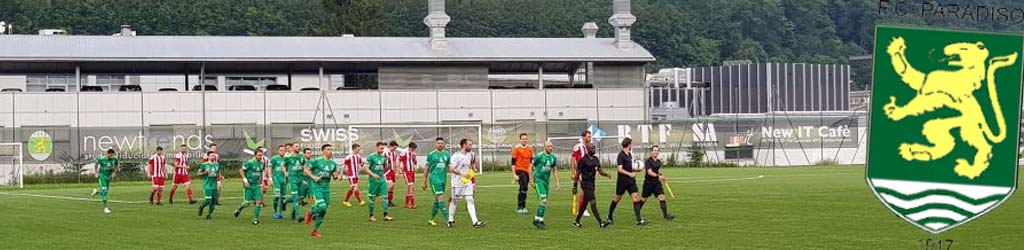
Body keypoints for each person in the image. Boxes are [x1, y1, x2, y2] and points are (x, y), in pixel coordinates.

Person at [448, 138, 487, 228]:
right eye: (469, 145)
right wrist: (462, 173)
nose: (471, 146)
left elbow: (472, 165)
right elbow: (451, 169)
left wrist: (474, 169)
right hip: (457, 181)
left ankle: (475, 222)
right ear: (464, 145)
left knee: (470, 199)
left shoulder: (472, 154)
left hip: (468, 181)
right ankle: (450, 220)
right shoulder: (456, 156)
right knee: (454, 200)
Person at [304, 144, 342, 237]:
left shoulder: (332, 164)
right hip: (316, 187)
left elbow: (334, 176)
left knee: (324, 210)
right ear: (323, 151)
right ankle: (310, 212)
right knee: (322, 206)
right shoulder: (317, 161)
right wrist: (314, 177)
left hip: (326, 188)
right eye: (328, 149)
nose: (330, 151)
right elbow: (306, 170)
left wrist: (337, 176)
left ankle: (314, 230)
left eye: (331, 149)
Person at [609, 137, 648, 226]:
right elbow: (619, 169)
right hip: (622, 180)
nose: (632, 145)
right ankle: (609, 216)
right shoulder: (621, 155)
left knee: (636, 197)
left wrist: (636, 170)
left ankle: (639, 220)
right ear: (629, 144)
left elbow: (629, 167)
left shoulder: (629, 154)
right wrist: (629, 174)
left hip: (631, 181)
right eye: (631, 144)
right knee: (617, 198)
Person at [573, 143, 610, 229]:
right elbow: (577, 173)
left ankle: (576, 221)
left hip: (592, 183)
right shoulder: (583, 160)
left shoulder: (595, 159)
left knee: (585, 203)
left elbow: (600, 170)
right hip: (585, 184)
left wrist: (606, 174)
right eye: (592, 148)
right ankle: (601, 223)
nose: (594, 149)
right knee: (593, 202)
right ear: (588, 149)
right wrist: (575, 186)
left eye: (594, 148)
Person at [531, 141, 561, 229]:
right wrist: (531, 180)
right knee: (543, 200)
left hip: (546, 182)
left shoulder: (553, 157)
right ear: (544, 147)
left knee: (544, 201)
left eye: (551, 146)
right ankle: (540, 220)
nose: (550, 148)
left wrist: (557, 183)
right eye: (549, 146)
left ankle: (537, 219)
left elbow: (554, 170)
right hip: (538, 181)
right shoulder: (539, 156)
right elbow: (530, 167)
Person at [641, 145, 675, 221]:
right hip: (648, 183)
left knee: (662, 197)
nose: (656, 152)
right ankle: (637, 213)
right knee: (643, 199)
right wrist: (658, 176)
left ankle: (666, 216)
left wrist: (662, 176)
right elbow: (649, 172)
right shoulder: (648, 161)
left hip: (656, 183)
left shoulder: (658, 161)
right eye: (654, 150)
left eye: (657, 150)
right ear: (651, 152)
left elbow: (659, 171)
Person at [234, 149, 267, 225]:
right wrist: (245, 180)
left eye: (261, 155)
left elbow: (261, 172)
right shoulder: (249, 162)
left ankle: (255, 219)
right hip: (249, 185)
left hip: (257, 185)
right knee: (247, 203)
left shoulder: (262, 163)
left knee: (259, 202)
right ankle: (239, 209)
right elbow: (241, 170)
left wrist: (263, 182)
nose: (260, 157)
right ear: (255, 155)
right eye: (259, 155)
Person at [423, 137, 450, 226]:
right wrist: (424, 181)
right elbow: (426, 168)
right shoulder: (431, 154)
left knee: (437, 200)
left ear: (444, 144)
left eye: (442, 143)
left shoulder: (447, 154)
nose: (440, 145)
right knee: (440, 198)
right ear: (435, 144)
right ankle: (448, 220)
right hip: (434, 179)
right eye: (438, 143)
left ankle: (431, 219)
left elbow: (449, 167)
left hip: (443, 179)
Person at [365, 142, 392, 222]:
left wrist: (388, 163)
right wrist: (373, 175)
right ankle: (371, 215)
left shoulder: (383, 158)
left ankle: (385, 215)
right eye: (381, 148)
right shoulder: (371, 157)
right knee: (372, 198)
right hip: (373, 181)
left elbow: (385, 167)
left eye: (383, 148)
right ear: (376, 147)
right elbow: (366, 168)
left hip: (382, 180)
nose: (382, 150)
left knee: (385, 197)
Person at [570, 131, 593, 217]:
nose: (590, 138)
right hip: (581, 172)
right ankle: (581, 209)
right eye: (588, 136)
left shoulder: (590, 147)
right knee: (585, 190)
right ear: (583, 137)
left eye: (590, 136)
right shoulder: (578, 146)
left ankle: (583, 208)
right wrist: (573, 173)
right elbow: (573, 159)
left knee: (589, 190)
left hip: (589, 172)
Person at [91, 149, 120, 214]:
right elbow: (96, 165)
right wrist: (96, 173)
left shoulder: (115, 159)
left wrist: (114, 173)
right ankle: (105, 208)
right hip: (102, 176)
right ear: (107, 154)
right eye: (110, 155)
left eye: (112, 155)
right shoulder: (102, 159)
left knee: (105, 191)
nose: (111, 156)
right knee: (105, 191)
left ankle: (96, 192)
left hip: (108, 177)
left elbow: (117, 166)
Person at [511, 133, 534, 215]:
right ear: (520, 139)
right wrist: (514, 174)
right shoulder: (516, 149)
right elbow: (513, 163)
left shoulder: (530, 149)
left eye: (525, 139)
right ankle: (520, 207)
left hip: (527, 171)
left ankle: (522, 207)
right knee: (524, 187)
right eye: (523, 139)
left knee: (524, 189)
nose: (524, 140)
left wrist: (532, 168)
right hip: (519, 170)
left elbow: (531, 161)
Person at [288, 148, 312, 222]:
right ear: (304, 154)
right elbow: (302, 171)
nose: (309, 154)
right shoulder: (300, 160)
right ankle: (290, 207)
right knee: (299, 198)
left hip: (310, 182)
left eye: (310, 153)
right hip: (302, 182)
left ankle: (314, 214)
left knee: (312, 197)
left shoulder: (312, 162)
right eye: (307, 153)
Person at [197, 152, 221, 220]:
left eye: (214, 156)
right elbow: (198, 174)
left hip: (214, 185)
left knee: (214, 201)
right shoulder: (204, 165)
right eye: (211, 156)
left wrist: (220, 178)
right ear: (208, 157)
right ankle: (201, 207)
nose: (213, 157)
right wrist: (205, 172)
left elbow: (218, 173)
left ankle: (209, 215)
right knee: (208, 200)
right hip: (207, 185)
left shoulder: (217, 165)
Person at [269, 144, 289, 219]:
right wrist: (270, 178)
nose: (282, 152)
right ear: (278, 151)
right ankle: (275, 211)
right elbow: (269, 168)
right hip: (276, 179)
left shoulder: (286, 159)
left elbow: (287, 169)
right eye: (281, 150)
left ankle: (280, 213)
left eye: (284, 150)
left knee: (283, 197)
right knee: (277, 195)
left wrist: (287, 177)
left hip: (283, 179)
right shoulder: (274, 158)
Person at [399, 142, 418, 209]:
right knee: (411, 186)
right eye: (413, 149)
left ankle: (406, 203)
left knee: (410, 187)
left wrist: (414, 157)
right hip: (406, 171)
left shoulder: (413, 153)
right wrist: (399, 169)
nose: (413, 150)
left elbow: (415, 163)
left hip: (412, 171)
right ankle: (412, 203)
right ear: (410, 147)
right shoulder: (404, 152)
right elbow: (399, 160)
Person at [383, 141, 400, 207]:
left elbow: (396, 162)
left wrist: (397, 171)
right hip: (387, 171)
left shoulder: (394, 153)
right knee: (390, 185)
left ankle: (389, 201)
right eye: (394, 148)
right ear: (390, 146)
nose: (395, 149)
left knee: (392, 187)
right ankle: (385, 200)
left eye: (395, 148)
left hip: (393, 171)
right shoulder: (385, 152)